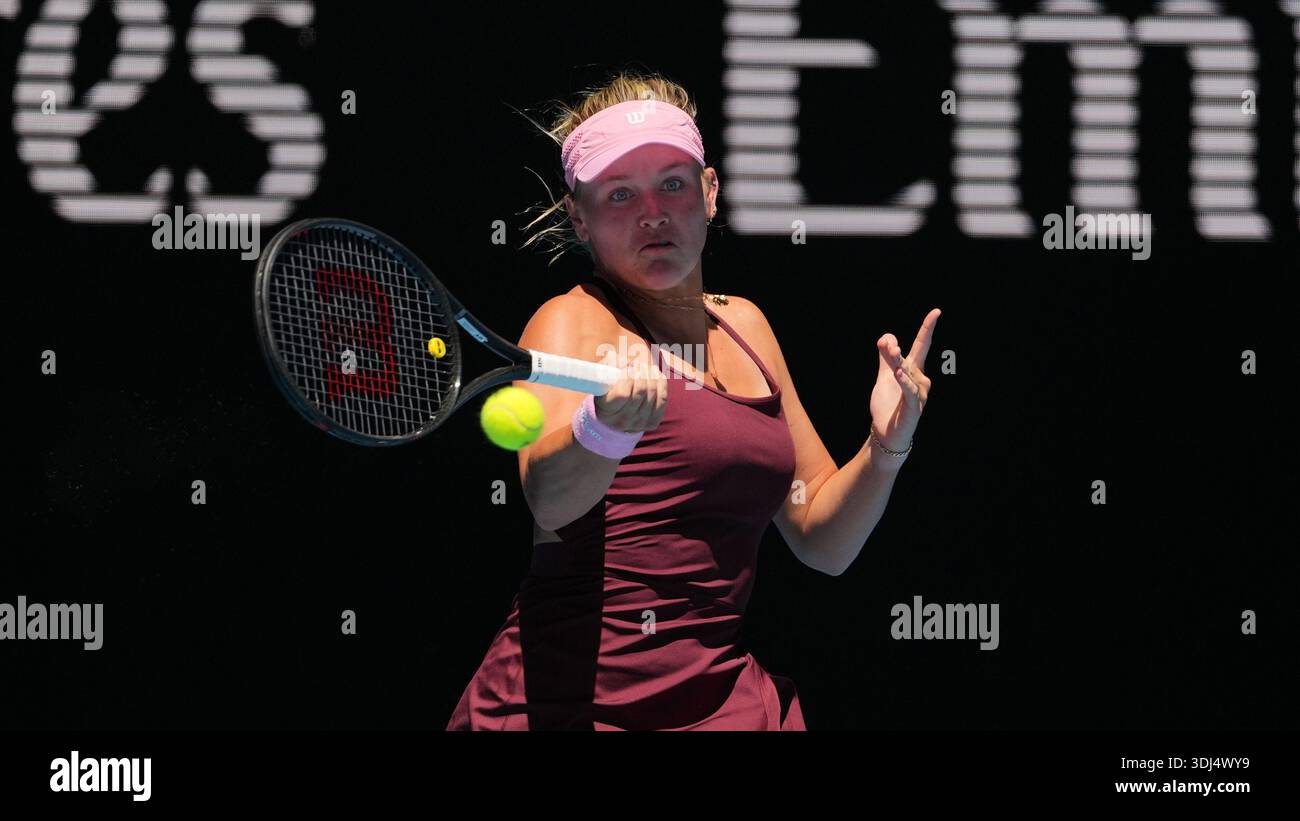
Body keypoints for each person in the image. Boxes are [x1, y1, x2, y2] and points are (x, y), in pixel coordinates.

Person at [447, 70, 940, 730]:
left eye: (672, 184)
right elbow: (549, 496)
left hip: (719, 705)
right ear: (579, 217)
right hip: (569, 709)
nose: (651, 212)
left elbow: (823, 537)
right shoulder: (571, 324)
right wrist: (605, 427)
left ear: (709, 193)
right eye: (619, 193)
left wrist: (885, 450)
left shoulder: (749, 326)